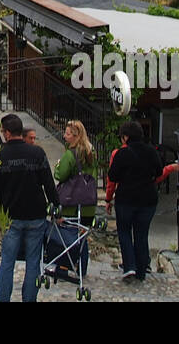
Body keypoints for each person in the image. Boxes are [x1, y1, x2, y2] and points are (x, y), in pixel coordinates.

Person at [0, 113, 59, 302]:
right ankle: (29, 299)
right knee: (33, 262)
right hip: (36, 214)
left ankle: (3, 299)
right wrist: (56, 207)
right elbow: (49, 183)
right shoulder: (37, 153)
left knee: (7, 262)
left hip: (11, 216)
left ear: (7, 133)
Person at [106, 122, 164, 280]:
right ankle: (142, 268)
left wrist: (109, 197)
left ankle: (129, 266)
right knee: (141, 233)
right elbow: (159, 172)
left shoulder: (122, 154)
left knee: (124, 232)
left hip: (126, 199)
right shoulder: (151, 152)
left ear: (126, 137)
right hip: (148, 199)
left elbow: (112, 176)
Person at [45, 119, 96, 281]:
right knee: (82, 236)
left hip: (71, 202)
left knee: (65, 235)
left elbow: (60, 175)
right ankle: (82, 268)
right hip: (88, 203)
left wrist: (59, 165)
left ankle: (63, 266)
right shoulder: (90, 152)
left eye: (67, 134)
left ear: (76, 136)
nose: (65, 136)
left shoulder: (70, 154)